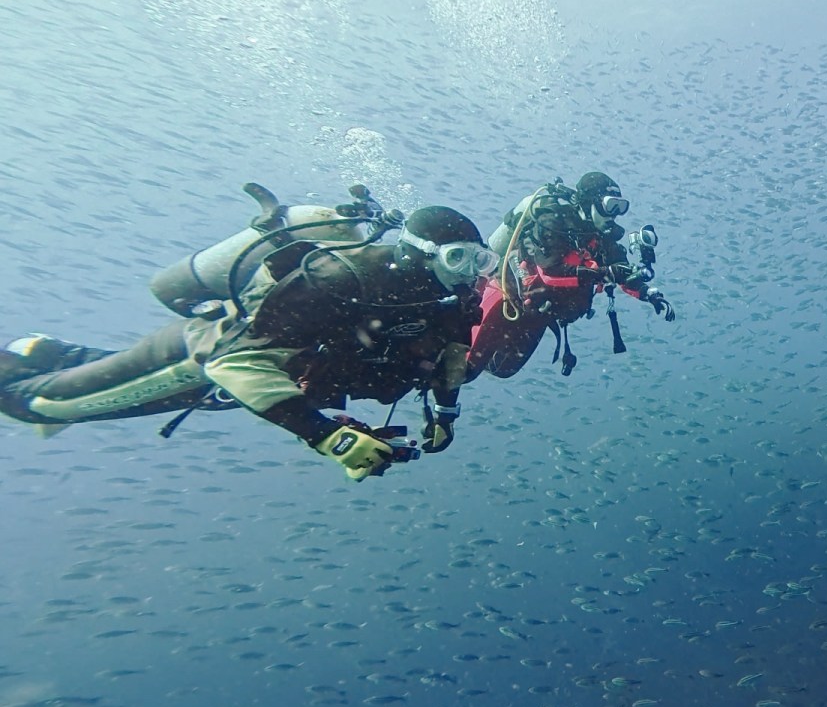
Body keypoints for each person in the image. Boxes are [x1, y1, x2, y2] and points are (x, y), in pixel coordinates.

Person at [0, 185, 497, 482]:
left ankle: (50, 352)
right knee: (37, 407)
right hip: (197, 359)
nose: (469, 272)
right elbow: (234, 363)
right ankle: (26, 367)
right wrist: (329, 438)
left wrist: (445, 414)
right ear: (417, 252)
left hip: (255, 385)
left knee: (99, 379)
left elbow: (451, 352)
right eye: (458, 258)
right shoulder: (339, 279)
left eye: (479, 260)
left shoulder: (447, 300)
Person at [468, 171, 676, 381]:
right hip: (506, 298)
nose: (614, 214)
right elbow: (550, 273)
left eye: (621, 207)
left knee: (502, 370)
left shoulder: (601, 240)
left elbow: (622, 272)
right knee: (466, 367)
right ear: (590, 201)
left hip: (539, 314)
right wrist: (603, 273)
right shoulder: (553, 222)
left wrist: (648, 294)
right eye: (611, 205)